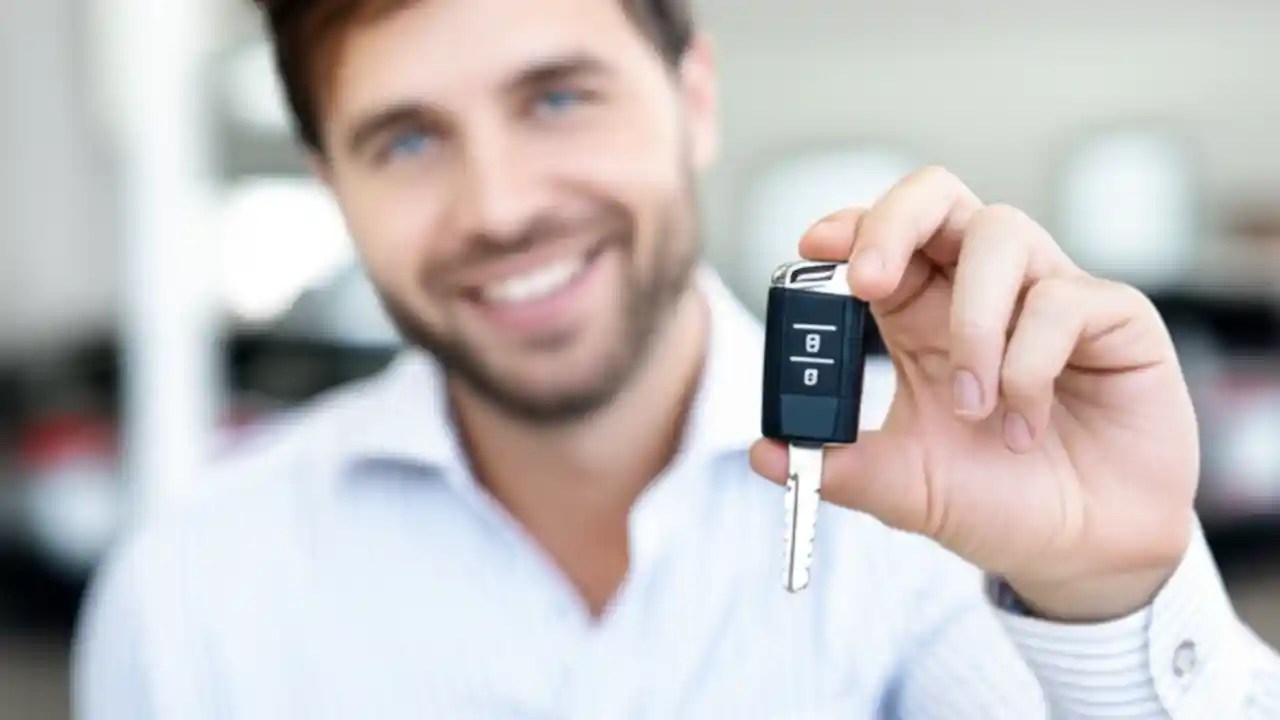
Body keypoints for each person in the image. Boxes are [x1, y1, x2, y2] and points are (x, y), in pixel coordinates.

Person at [75, 0, 1280, 717]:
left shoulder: (948, 519)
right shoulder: (192, 591)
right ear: (331, 184)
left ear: (693, 99)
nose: (500, 207)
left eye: (557, 99)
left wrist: (1105, 591)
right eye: (405, 140)